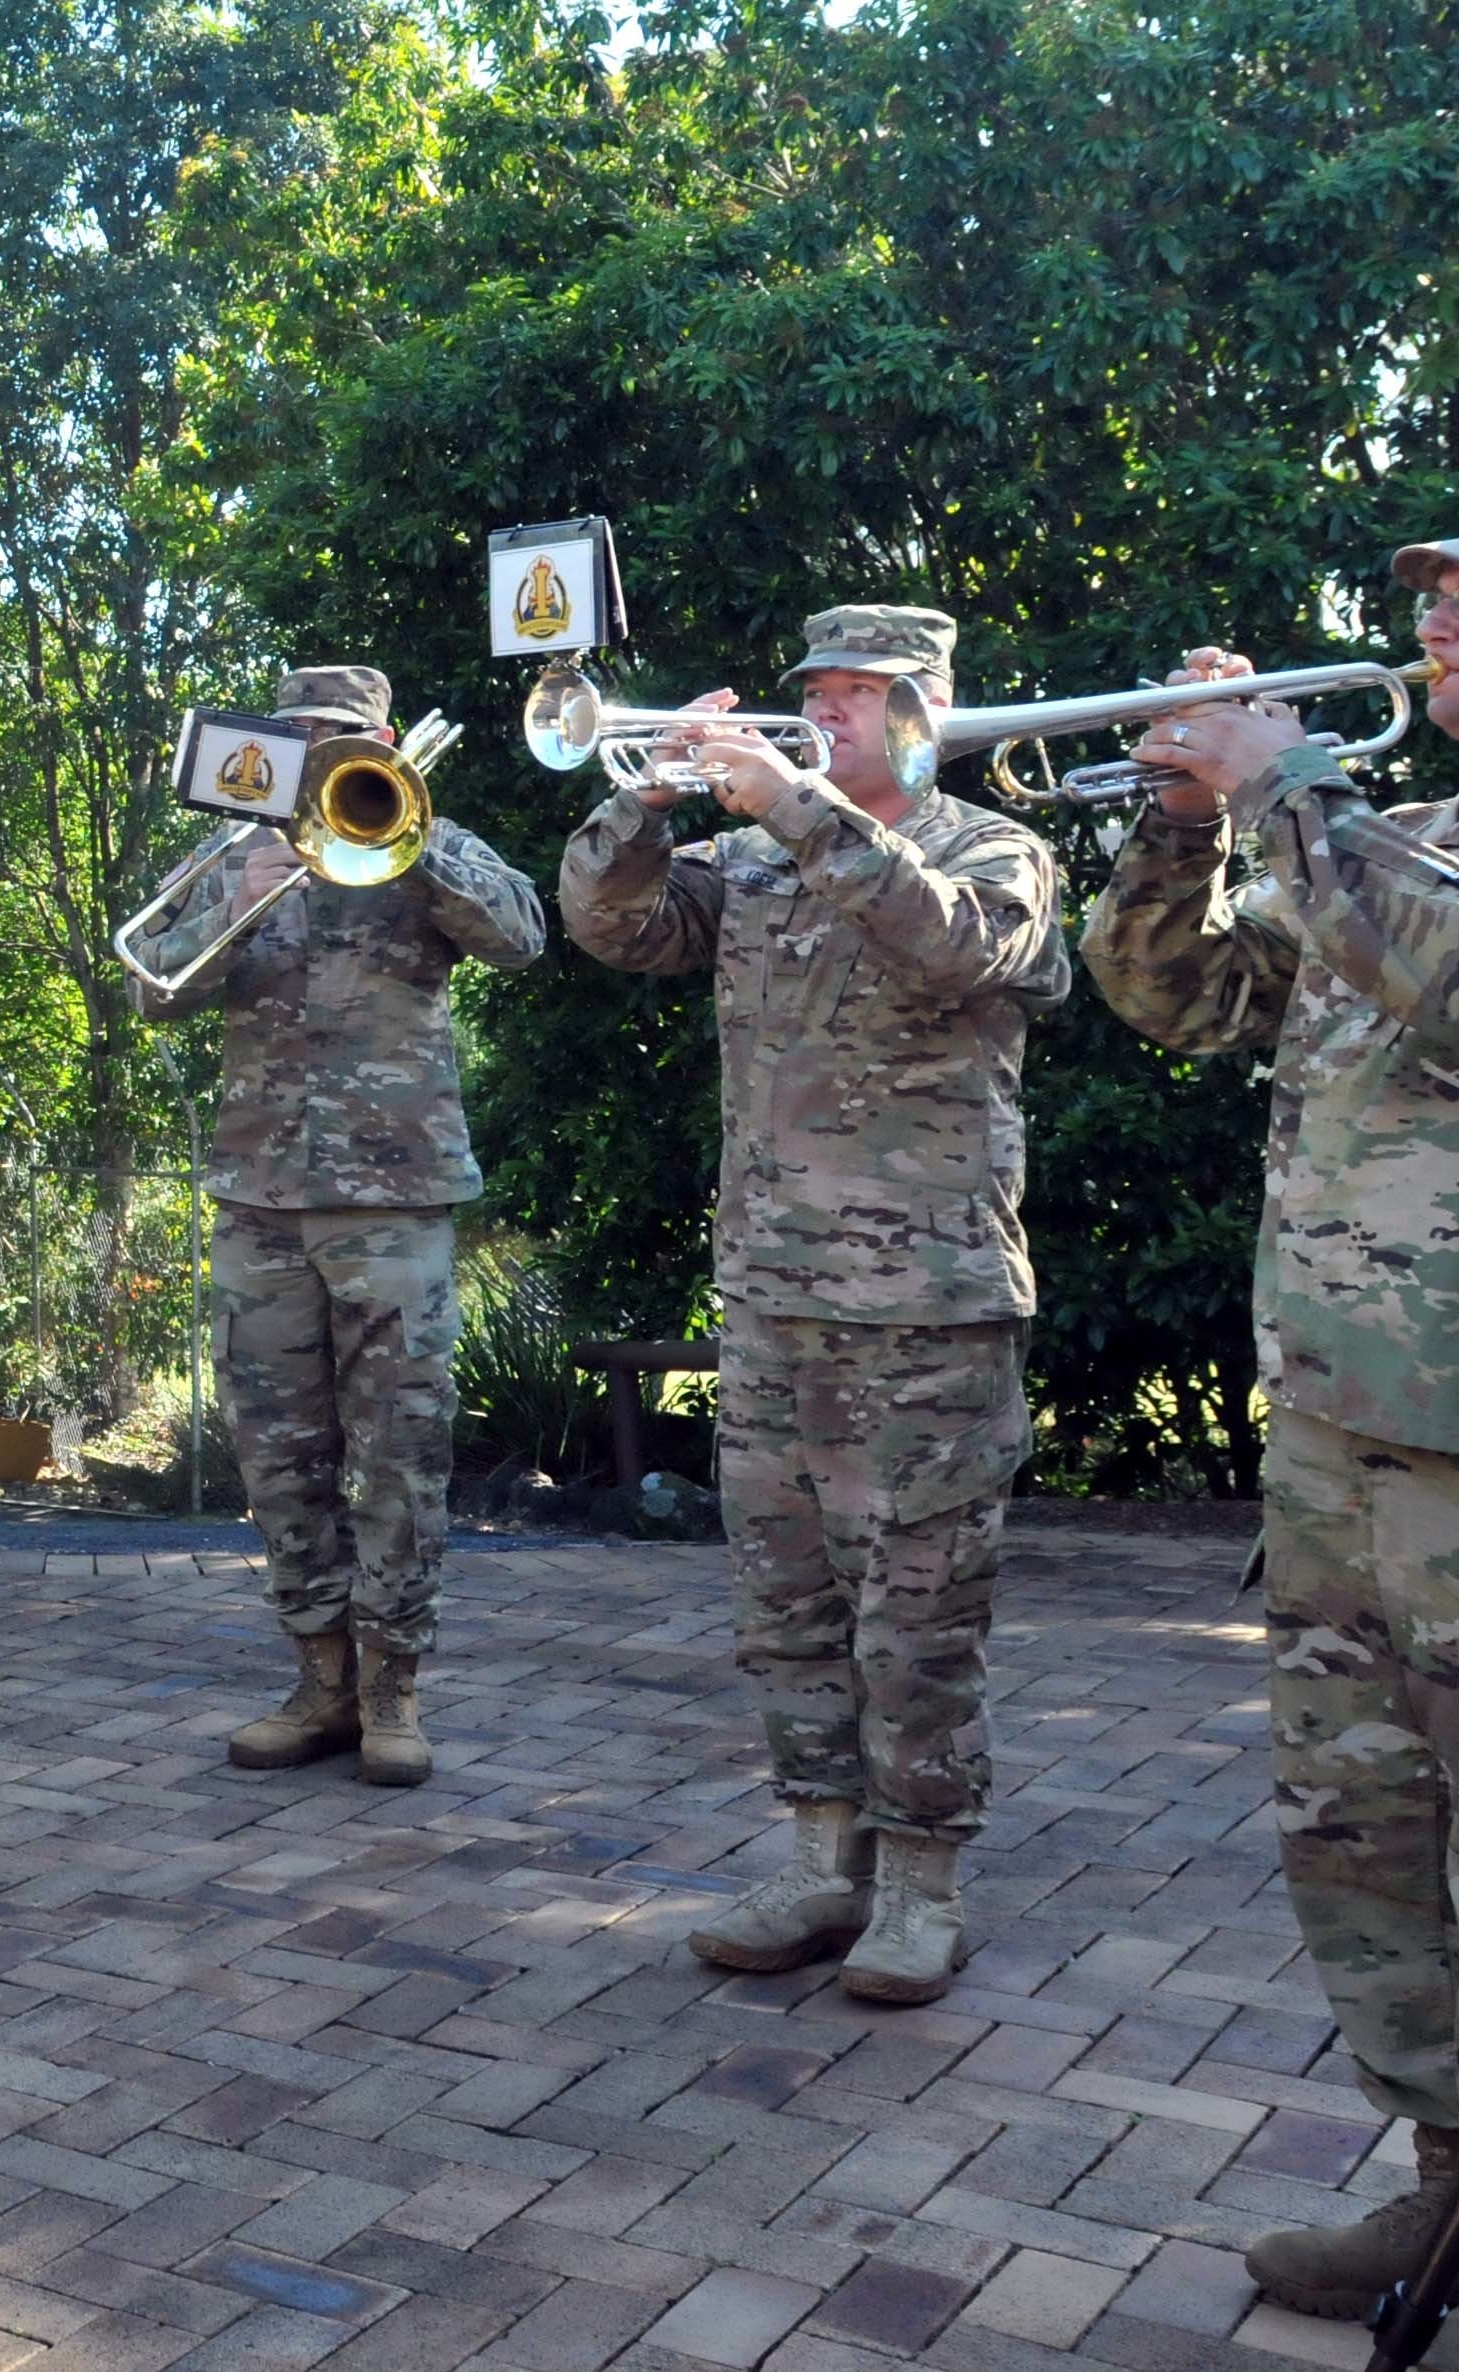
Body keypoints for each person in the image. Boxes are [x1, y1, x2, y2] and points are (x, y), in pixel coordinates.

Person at [1083, 484, 1459, 2372]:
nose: (1437, 626)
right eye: (1431, 596)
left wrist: (1284, 789)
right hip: (1341, 1426)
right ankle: (1458, 2177)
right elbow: (1176, 997)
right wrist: (1181, 826)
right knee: (1365, 1841)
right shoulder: (1393, 830)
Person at [558, 606, 1069, 2004]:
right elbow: (608, 925)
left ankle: (921, 1884)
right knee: (784, 1602)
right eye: (815, 694)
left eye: (861, 694)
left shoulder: (994, 852)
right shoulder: (748, 864)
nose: (828, 713)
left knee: (916, 1614)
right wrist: (647, 801)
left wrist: (798, 807)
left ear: (929, 709)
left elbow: (952, 948)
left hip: (927, 1302)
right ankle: (820, 1859)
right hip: (773, 1298)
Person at [131, 665, 547, 1786]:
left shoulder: (421, 830)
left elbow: (524, 936)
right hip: (260, 1201)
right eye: (303, 736)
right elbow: (148, 987)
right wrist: (233, 897)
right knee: (279, 1455)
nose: (320, 755)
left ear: (385, 739)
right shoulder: (234, 851)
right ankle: (319, 1678)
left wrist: (419, 842)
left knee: (402, 1454)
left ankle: (394, 1687)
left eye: (343, 738)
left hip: (396, 1202)